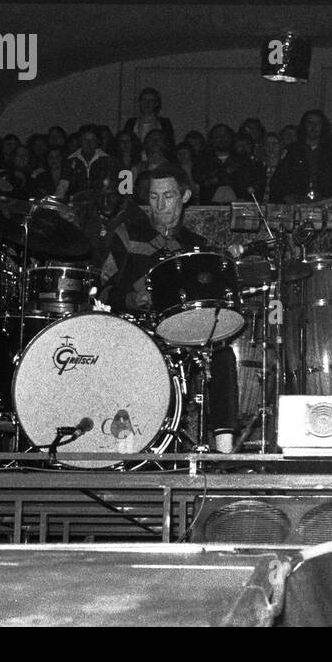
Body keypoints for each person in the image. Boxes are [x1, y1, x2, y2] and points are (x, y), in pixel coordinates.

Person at [97, 163, 237, 453]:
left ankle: (223, 448)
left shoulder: (195, 245)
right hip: (136, 331)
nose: (160, 205)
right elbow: (101, 289)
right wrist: (130, 300)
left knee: (221, 353)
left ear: (185, 196)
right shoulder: (127, 235)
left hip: (183, 334)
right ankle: (126, 442)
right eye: (153, 197)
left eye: (168, 196)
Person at [269, 110, 332, 202]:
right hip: (296, 202)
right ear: (304, 125)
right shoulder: (292, 150)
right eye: (310, 123)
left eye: (318, 123)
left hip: (323, 202)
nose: (314, 126)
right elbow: (279, 180)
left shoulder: (331, 152)